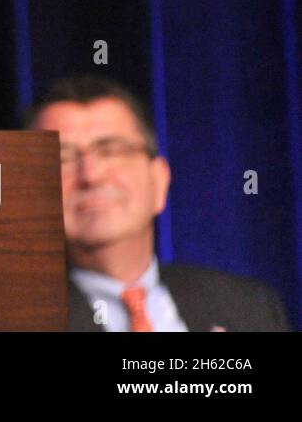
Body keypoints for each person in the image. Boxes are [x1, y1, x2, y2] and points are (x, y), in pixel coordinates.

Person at [26, 74, 288, 331]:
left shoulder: (248, 306)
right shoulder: (16, 320)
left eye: (111, 150)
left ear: (158, 181)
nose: (91, 175)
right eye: (62, 159)